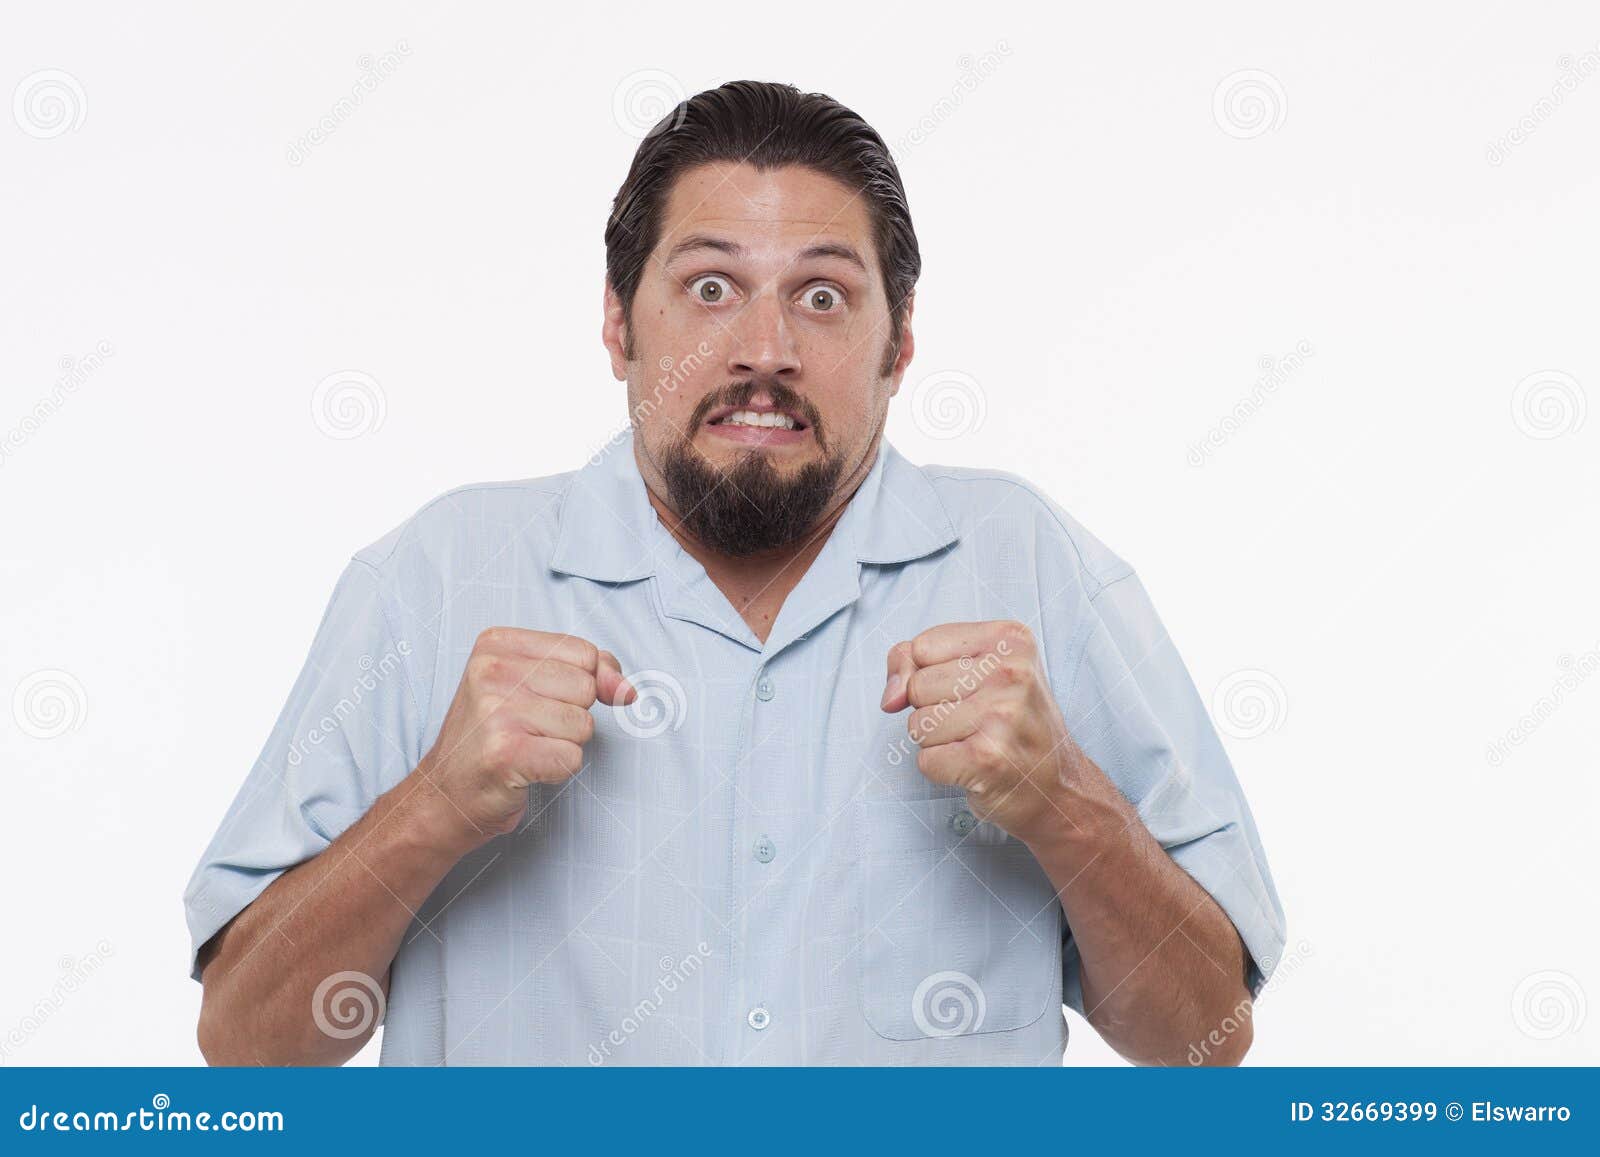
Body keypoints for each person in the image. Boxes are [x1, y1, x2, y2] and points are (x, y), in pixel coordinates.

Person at [184, 79, 1285, 1066]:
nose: (765, 347)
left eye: (821, 296)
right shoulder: (437, 577)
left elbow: (1202, 1040)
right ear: (620, 326)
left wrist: (1066, 808)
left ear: (899, 343)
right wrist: (434, 805)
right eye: (710, 288)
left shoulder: (1031, 568)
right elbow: (245, 1044)